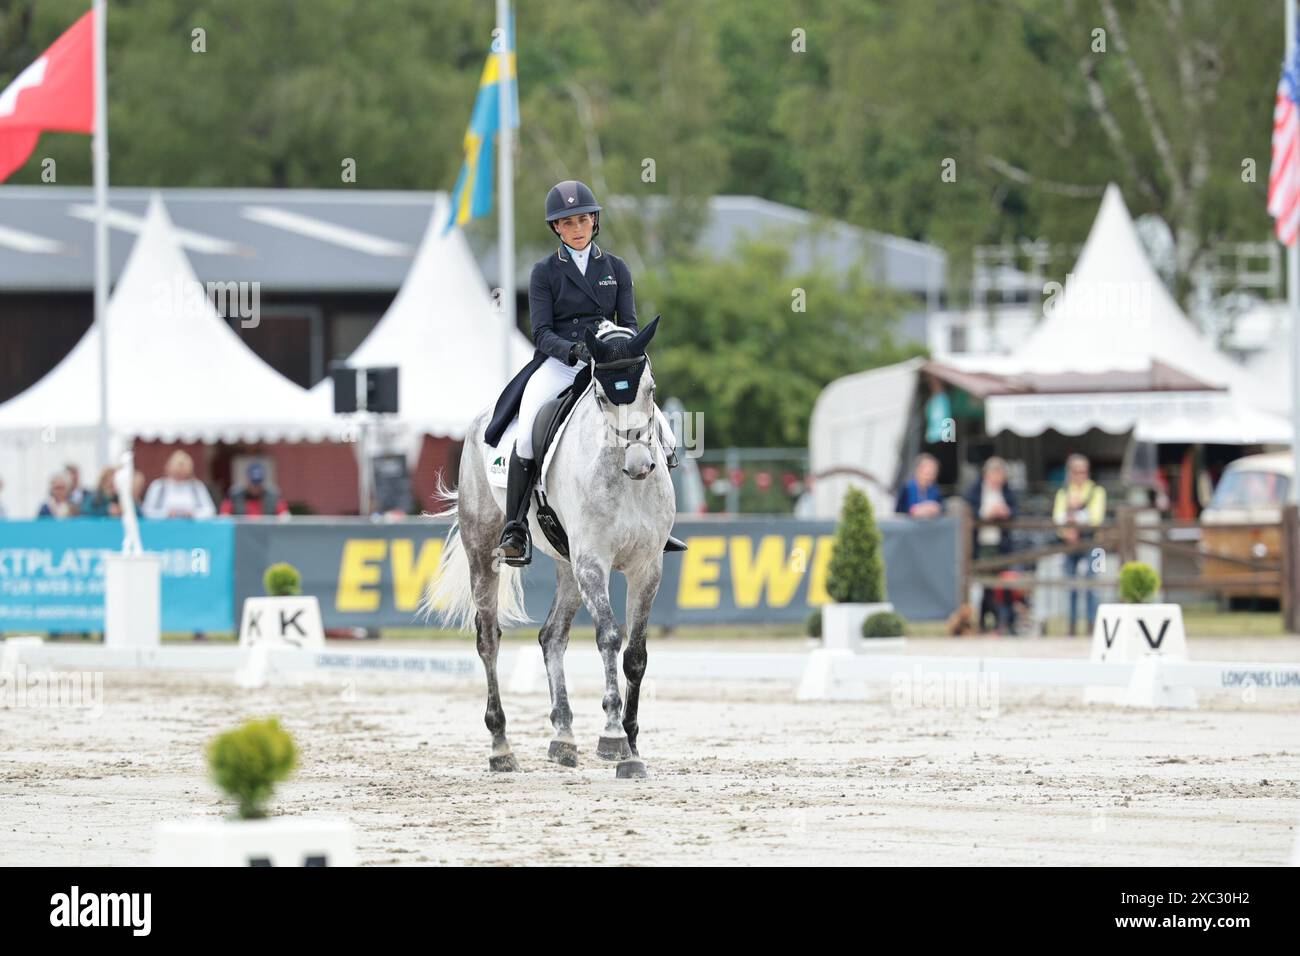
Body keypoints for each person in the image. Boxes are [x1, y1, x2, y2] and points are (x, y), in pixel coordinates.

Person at [491, 180, 682, 565]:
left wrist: (614, 351)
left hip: (608, 363)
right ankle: (515, 527)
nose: (577, 228)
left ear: (594, 222)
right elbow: (541, 332)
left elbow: (627, 323)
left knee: (658, 427)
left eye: (583, 220)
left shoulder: (616, 268)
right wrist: (572, 351)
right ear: (557, 229)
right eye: (568, 223)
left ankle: (656, 523)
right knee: (527, 434)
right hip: (561, 364)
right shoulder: (544, 272)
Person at [1053, 453, 1107, 636]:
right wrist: (1067, 531)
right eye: (1076, 471)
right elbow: (1057, 518)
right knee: (1071, 585)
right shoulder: (1063, 492)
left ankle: (1093, 626)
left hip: (1095, 545)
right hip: (1070, 544)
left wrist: (1074, 516)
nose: (1080, 475)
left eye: (1083, 471)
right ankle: (1072, 627)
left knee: (1094, 585)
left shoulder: (1097, 491)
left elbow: (1096, 517)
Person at [964, 457, 1018, 633]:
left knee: (1003, 584)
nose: (998, 479)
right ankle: (981, 622)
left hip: (1001, 544)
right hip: (980, 544)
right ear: (987, 474)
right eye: (995, 474)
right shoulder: (975, 489)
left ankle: (1005, 622)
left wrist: (1006, 512)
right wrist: (987, 513)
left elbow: (1015, 509)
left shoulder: (1007, 491)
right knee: (983, 584)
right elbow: (969, 510)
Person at [142, 450, 216, 519]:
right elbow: (147, 511)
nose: (180, 474)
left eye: (183, 471)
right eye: (177, 472)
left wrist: (194, 514)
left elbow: (210, 510)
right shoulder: (159, 486)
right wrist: (166, 514)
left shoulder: (196, 486)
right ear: (169, 468)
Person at [220, 462, 289, 518]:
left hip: (266, 533)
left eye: (258, 483)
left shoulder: (273, 496)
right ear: (247, 480)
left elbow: (284, 516)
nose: (255, 487)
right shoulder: (235, 495)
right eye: (253, 483)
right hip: (242, 532)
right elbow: (224, 515)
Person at [895, 453, 943, 518]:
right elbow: (899, 511)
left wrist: (937, 509)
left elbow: (940, 508)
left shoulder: (934, 490)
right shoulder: (907, 488)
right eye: (927, 473)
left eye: (933, 474)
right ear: (918, 471)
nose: (930, 477)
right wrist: (916, 510)